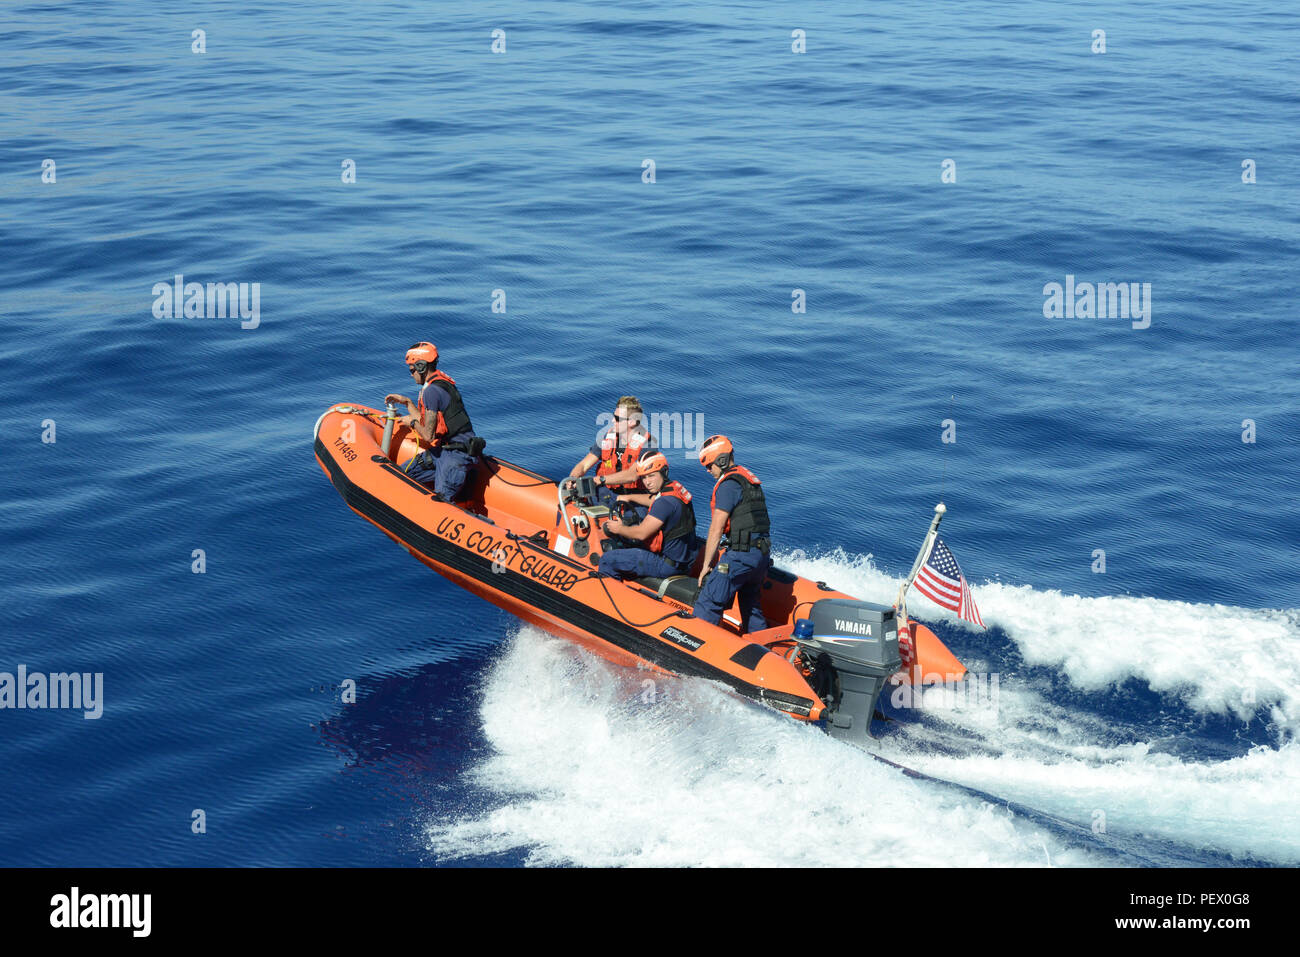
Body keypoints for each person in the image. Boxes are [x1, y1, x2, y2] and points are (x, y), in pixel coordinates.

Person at [384, 341, 483, 502]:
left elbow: (428, 435)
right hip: (444, 451)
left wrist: (412, 423)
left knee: (443, 501)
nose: (411, 374)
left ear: (421, 367)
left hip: (455, 456)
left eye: (412, 369)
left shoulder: (431, 391)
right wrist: (407, 402)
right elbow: (427, 422)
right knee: (401, 476)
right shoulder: (440, 384)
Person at [692, 435, 771, 633]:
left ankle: (701, 648)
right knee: (751, 606)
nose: (708, 470)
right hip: (760, 556)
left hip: (741, 556)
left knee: (709, 600)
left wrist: (706, 566)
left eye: (709, 465)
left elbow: (716, 529)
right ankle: (761, 648)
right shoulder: (748, 479)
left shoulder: (728, 485)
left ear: (721, 460)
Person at [597, 450, 698, 581]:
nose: (647, 482)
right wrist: (629, 497)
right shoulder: (675, 490)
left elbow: (641, 533)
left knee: (607, 559)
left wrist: (618, 528)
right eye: (644, 477)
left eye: (651, 476)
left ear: (664, 472)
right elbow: (654, 499)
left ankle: (613, 597)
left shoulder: (663, 504)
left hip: (666, 565)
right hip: (685, 560)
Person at [565, 396, 655, 508]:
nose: (613, 420)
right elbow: (583, 465)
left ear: (631, 422)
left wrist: (600, 480)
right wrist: (573, 478)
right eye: (614, 416)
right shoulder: (609, 436)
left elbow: (632, 475)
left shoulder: (648, 444)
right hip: (606, 492)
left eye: (617, 418)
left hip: (634, 498)